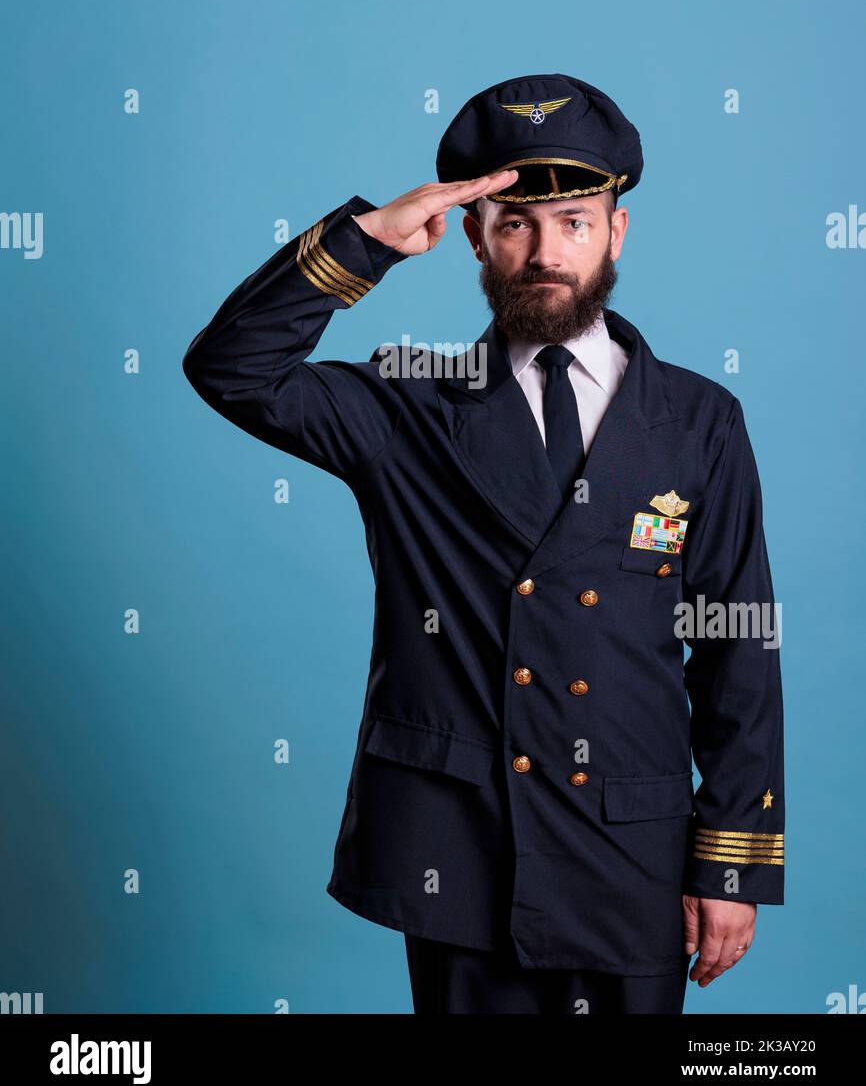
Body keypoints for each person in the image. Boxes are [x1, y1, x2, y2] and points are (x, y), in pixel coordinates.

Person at [182, 73, 784, 1015]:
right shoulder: (408, 403)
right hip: (461, 856)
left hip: (633, 849)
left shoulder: (698, 419)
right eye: (515, 224)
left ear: (616, 232)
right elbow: (231, 368)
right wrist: (366, 243)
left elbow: (737, 642)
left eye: (575, 222)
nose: (547, 253)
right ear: (473, 236)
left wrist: (733, 861)